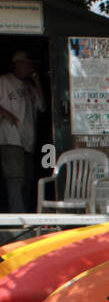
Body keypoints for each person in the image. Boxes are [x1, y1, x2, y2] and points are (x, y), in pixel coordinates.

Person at [0, 50, 46, 213]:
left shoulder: (28, 85)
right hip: (11, 139)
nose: (30, 67)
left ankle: (25, 214)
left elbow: (42, 106)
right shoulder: (4, 81)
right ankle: (18, 218)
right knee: (15, 179)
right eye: (27, 63)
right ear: (17, 64)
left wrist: (37, 81)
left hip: (28, 140)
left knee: (27, 180)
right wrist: (6, 114)